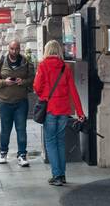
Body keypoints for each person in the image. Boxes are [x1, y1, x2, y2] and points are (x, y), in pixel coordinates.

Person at [33, 39, 85, 186]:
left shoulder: (43, 66)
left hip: (49, 108)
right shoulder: (65, 67)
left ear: (47, 50)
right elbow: (73, 91)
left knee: (50, 142)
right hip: (63, 110)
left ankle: (56, 176)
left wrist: (44, 94)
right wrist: (80, 112)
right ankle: (62, 175)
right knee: (61, 142)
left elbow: (36, 87)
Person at [0, 40, 35, 167]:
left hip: (21, 102)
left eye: (17, 49)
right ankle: (3, 153)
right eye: (12, 49)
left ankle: (22, 155)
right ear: (8, 48)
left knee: (21, 129)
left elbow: (32, 80)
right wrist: (4, 82)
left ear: (20, 49)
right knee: (5, 130)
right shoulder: (1, 62)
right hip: (4, 102)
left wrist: (22, 82)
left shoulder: (26, 62)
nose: (15, 51)